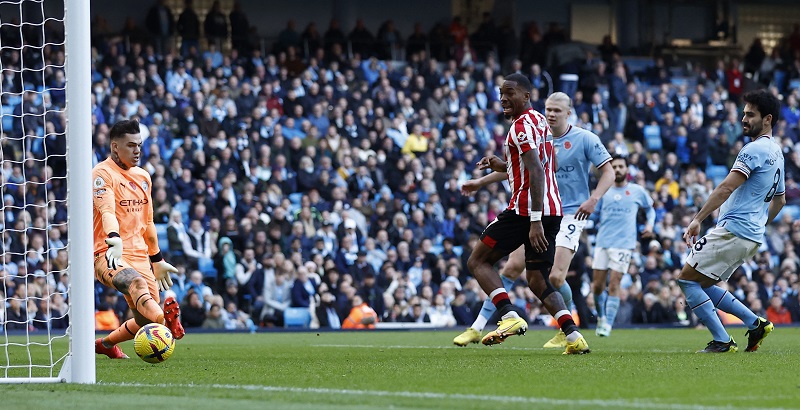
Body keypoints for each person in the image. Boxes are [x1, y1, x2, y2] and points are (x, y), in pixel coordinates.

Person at [453, 92, 614, 349]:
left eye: (557, 111)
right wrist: (482, 181)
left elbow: (607, 171)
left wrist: (594, 198)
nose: (551, 114)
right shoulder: (540, 131)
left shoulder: (584, 138)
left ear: (568, 113)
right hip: (545, 210)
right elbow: (522, 167)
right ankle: (479, 326)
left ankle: (542, 322)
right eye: (548, 109)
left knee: (554, 278)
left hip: (565, 212)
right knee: (516, 270)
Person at [679, 89, 784, 353]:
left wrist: (697, 219)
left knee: (687, 280)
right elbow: (780, 201)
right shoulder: (777, 152)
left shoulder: (754, 149)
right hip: (751, 235)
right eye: (744, 113)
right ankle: (754, 322)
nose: (743, 119)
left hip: (734, 230)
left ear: (768, 119)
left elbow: (726, 187)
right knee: (704, 283)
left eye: (750, 114)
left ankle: (722, 340)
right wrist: (759, 226)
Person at [93, 119, 184, 359]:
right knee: (137, 286)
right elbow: (107, 212)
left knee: (145, 321)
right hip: (108, 252)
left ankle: (104, 344)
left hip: (140, 254)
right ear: (115, 147)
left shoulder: (144, 177)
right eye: (131, 146)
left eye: (140, 146)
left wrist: (157, 259)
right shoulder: (102, 174)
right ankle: (166, 320)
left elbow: (148, 222)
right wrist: (113, 237)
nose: (137, 151)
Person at [591, 155, 655, 337]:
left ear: (627, 169)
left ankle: (608, 325)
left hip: (624, 244)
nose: (618, 169)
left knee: (614, 282)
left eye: (621, 166)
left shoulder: (637, 191)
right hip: (603, 242)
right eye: (615, 167)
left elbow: (650, 209)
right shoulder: (603, 191)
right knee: (597, 286)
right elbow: (594, 216)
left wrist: (649, 225)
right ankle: (601, 317)